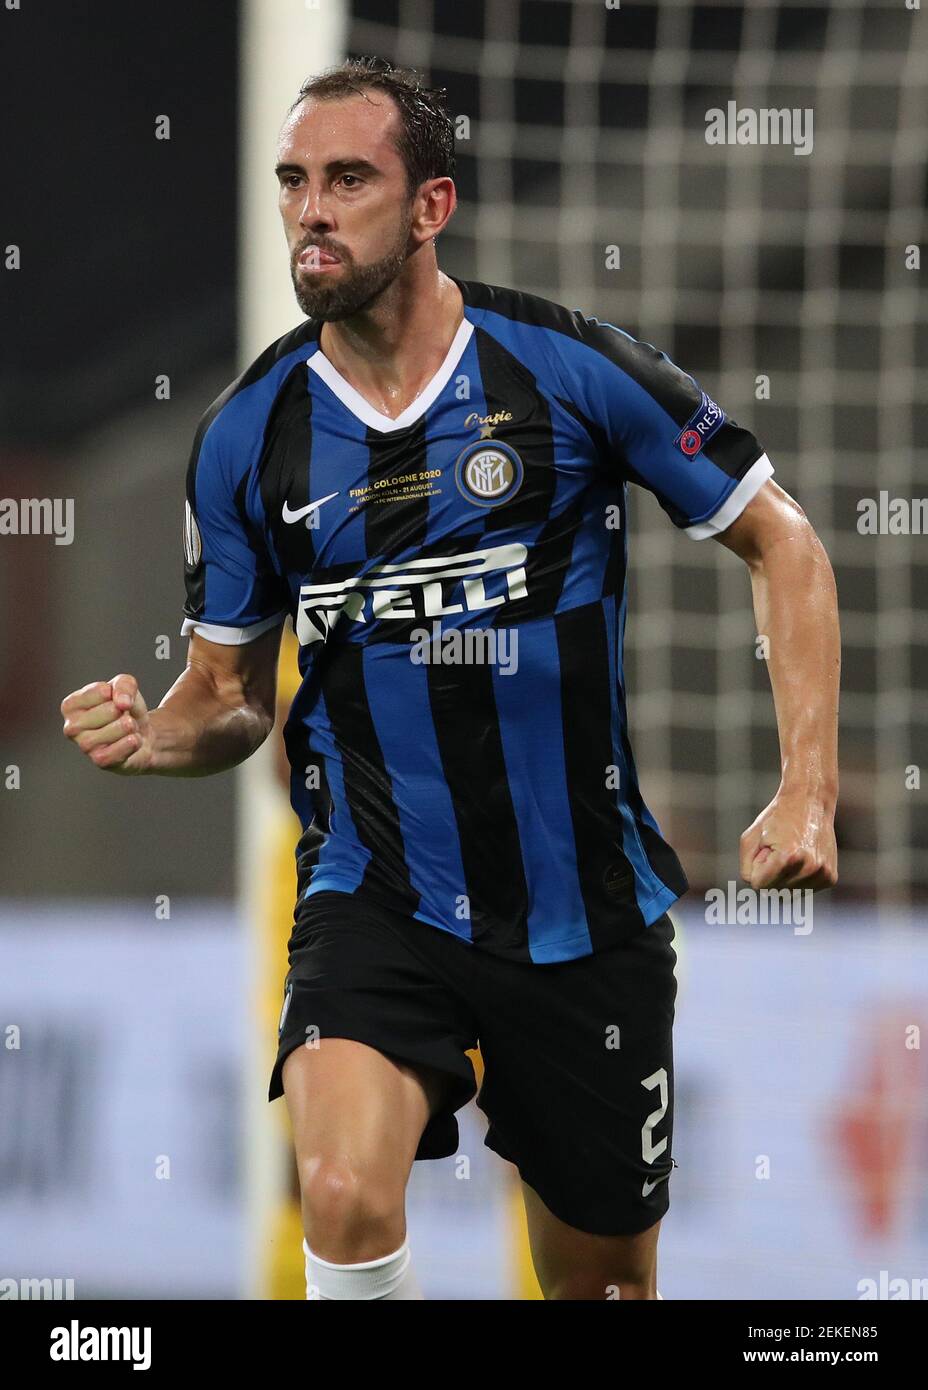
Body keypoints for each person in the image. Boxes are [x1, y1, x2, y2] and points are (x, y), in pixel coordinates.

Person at [60, 57, 839, 1300]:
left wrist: (806, 789)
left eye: (349, 179)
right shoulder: (247, 434)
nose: (312, 210)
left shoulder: (565, 370)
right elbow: (229, 698)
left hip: (583, 904)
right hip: (374, 889)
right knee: (345, 1193)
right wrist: (157, 734)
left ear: (431, 207)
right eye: (294, 182)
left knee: (603, 1288)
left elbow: (781, 537)